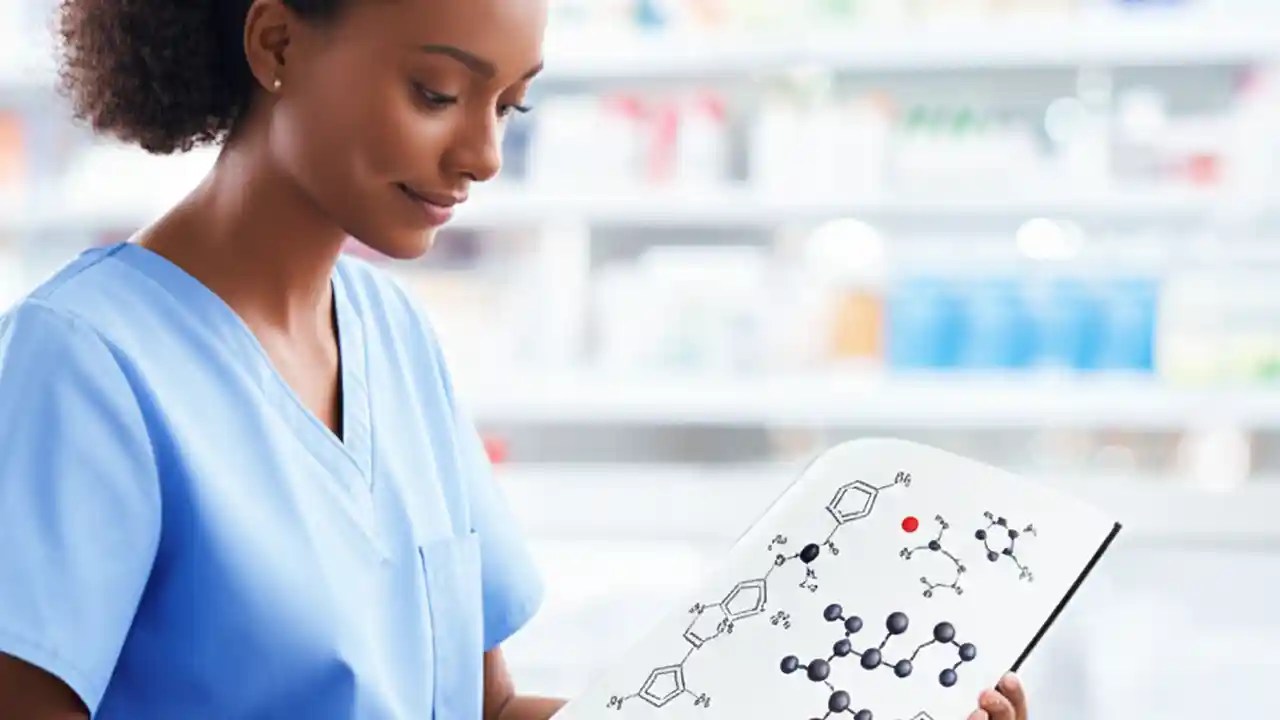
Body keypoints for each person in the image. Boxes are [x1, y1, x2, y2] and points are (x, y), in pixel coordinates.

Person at [0, 1, 1031, 719]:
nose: (482, 155)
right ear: (275, 41)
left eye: (509, 106)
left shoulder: (391, 338)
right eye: (438, 91)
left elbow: (480, 706)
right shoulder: (85, 368)